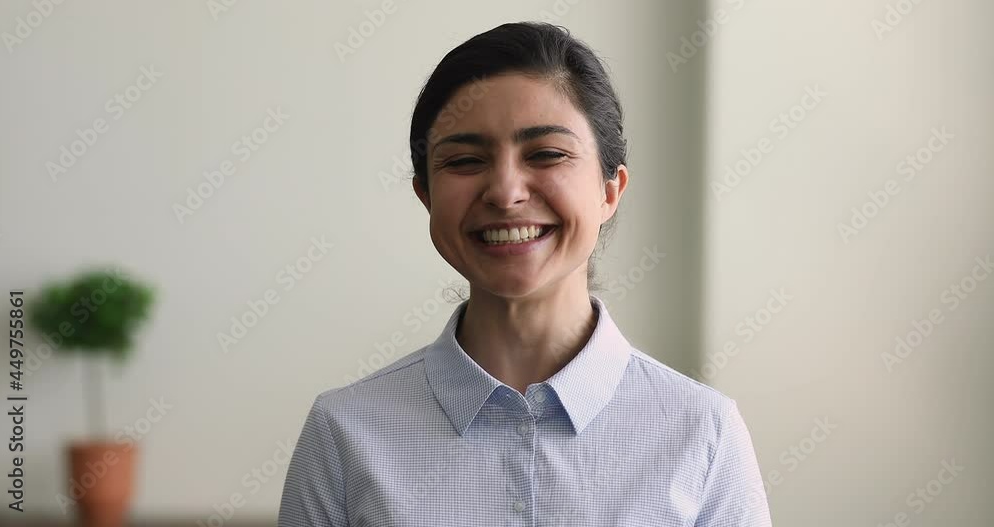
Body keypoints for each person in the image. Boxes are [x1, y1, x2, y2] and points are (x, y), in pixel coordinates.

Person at [278, 21, 772, 526]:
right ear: (425, 195)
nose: (506, 192)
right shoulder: (343, 434)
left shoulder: (703, 434)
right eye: (466, 160)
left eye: (547, 155)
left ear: (610, 190)